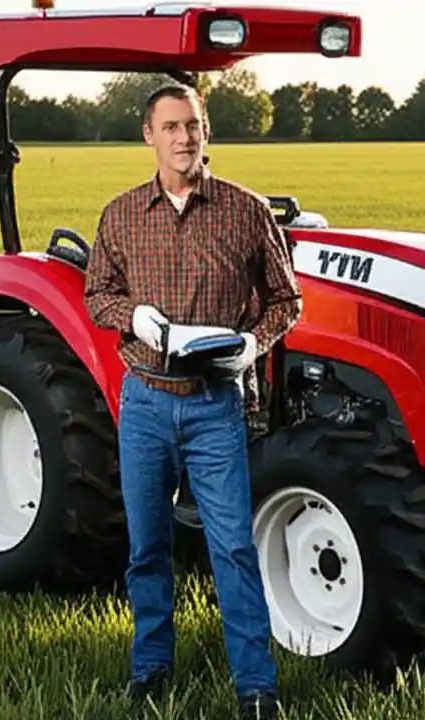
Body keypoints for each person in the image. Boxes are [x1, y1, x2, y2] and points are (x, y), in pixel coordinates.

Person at [83, 82, 301, 720]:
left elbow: (287, 300)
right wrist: (137, 319)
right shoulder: (121, 215)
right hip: (146, 402)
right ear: (148, 136)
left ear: (207, 132)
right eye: (172, 127)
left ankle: (256, 688)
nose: (185, 138)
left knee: (233, 547)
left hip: (214, 407)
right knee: (147, 547)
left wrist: (252, 345)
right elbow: (97, 294)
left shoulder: (244, 210)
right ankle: (150, 670)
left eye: (194, 125)